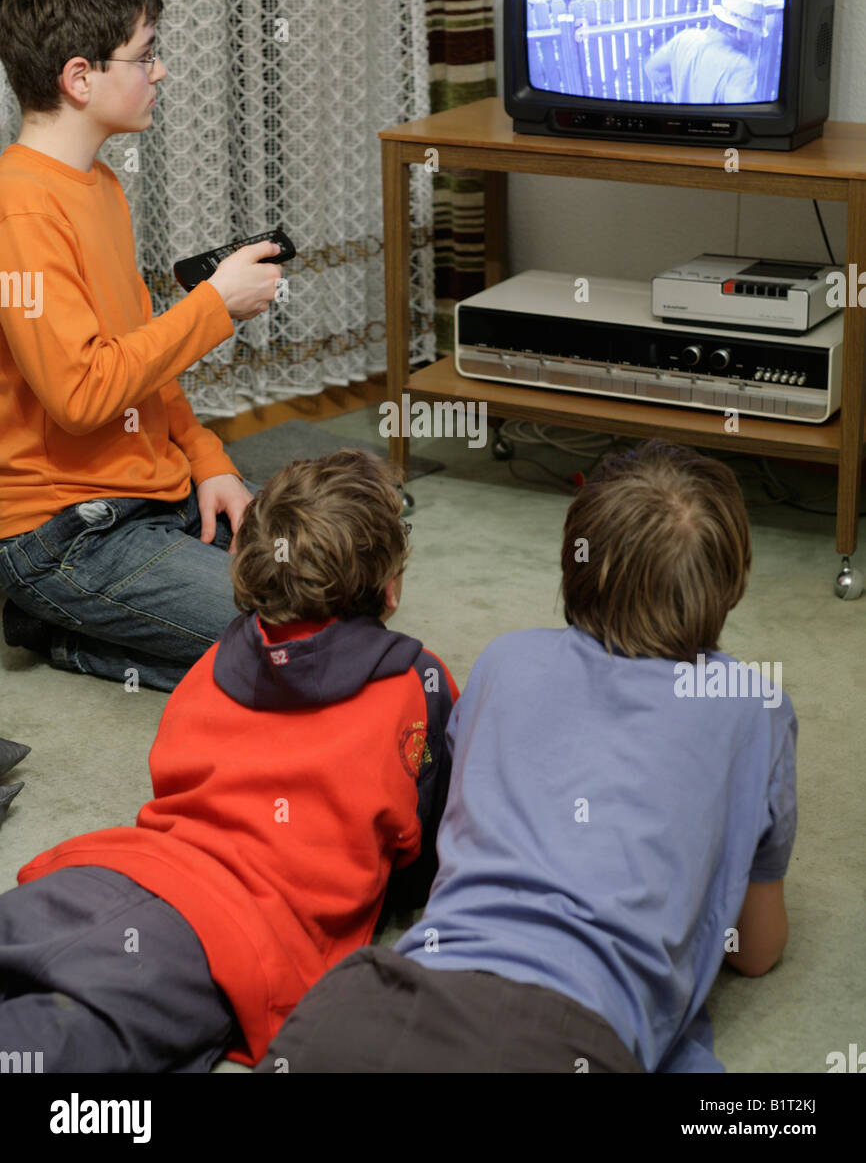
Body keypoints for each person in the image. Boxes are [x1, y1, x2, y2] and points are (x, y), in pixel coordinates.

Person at [256, 440, 797, 1075]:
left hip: (373, 999)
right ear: (732, 581)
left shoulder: (504, 660)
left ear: (573, 561)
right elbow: (754, 951)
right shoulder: (753, 706)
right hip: (563, 1032)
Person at [0, 450, 458, 1071]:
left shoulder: (212, 662)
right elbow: (419, 854)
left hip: (104, 876)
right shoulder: (418, 683)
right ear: (391, 587)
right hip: (218, 941)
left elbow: (171, 779)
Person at [0, 0, 286, 694]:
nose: (159, 72)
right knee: (298, 641)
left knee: (343, 575)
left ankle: (85, 624)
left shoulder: (101, 185)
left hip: (152, 491)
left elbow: (140, 361)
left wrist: (210, 462)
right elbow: (82, 394)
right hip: (64, 533)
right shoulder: (21, 209)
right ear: (80, 77)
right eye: (145, 55)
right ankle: (63, 627)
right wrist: (214, 306)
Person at [643, 0, 767, 105]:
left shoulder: (684, 37)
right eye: (751, 32)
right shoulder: (740, 66)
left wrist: (673, 96)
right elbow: (741, 111)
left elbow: (651, 67)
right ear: (736, 29)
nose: (753, 38)